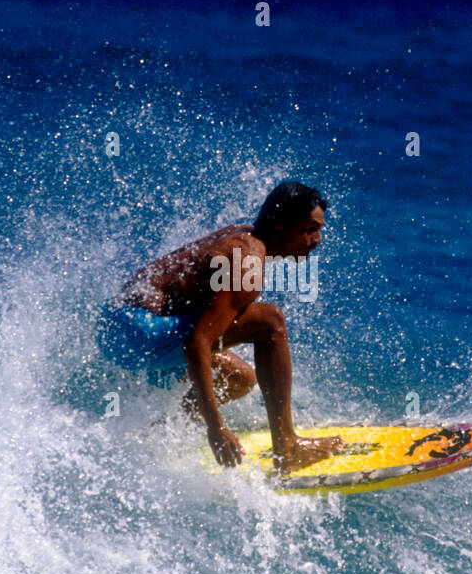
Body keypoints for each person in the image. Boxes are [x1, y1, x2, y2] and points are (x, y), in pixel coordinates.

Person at [97, 181, 344, 473]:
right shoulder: (249, 261)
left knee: (239, 380)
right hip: (138, 331)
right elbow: (196, 343)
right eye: (309, 229)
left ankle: (162, 432)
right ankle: (288, 449)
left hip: (113, 329)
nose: (318, 239)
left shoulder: (244, 235)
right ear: (280, 227)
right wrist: (216, 429)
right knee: (271, 322)